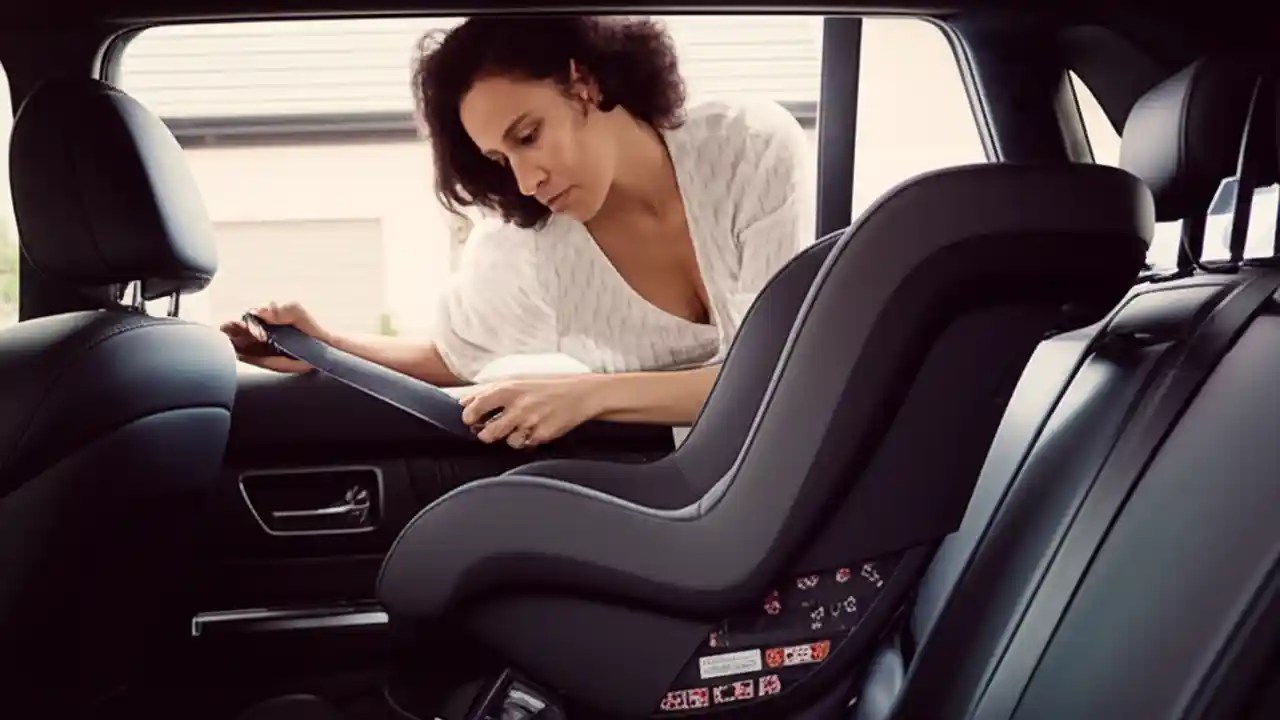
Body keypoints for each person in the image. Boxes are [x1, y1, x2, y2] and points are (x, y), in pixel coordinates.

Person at [223, 15, 815, 450]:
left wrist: (586, 396)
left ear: (582, 82)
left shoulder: (748, 147)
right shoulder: (535, 245)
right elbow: (451, 356)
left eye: (528, 135)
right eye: (501, 159)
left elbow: (775, 379)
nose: (527, 181)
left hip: (807, 461)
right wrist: (323, 348)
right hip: (705, 490)